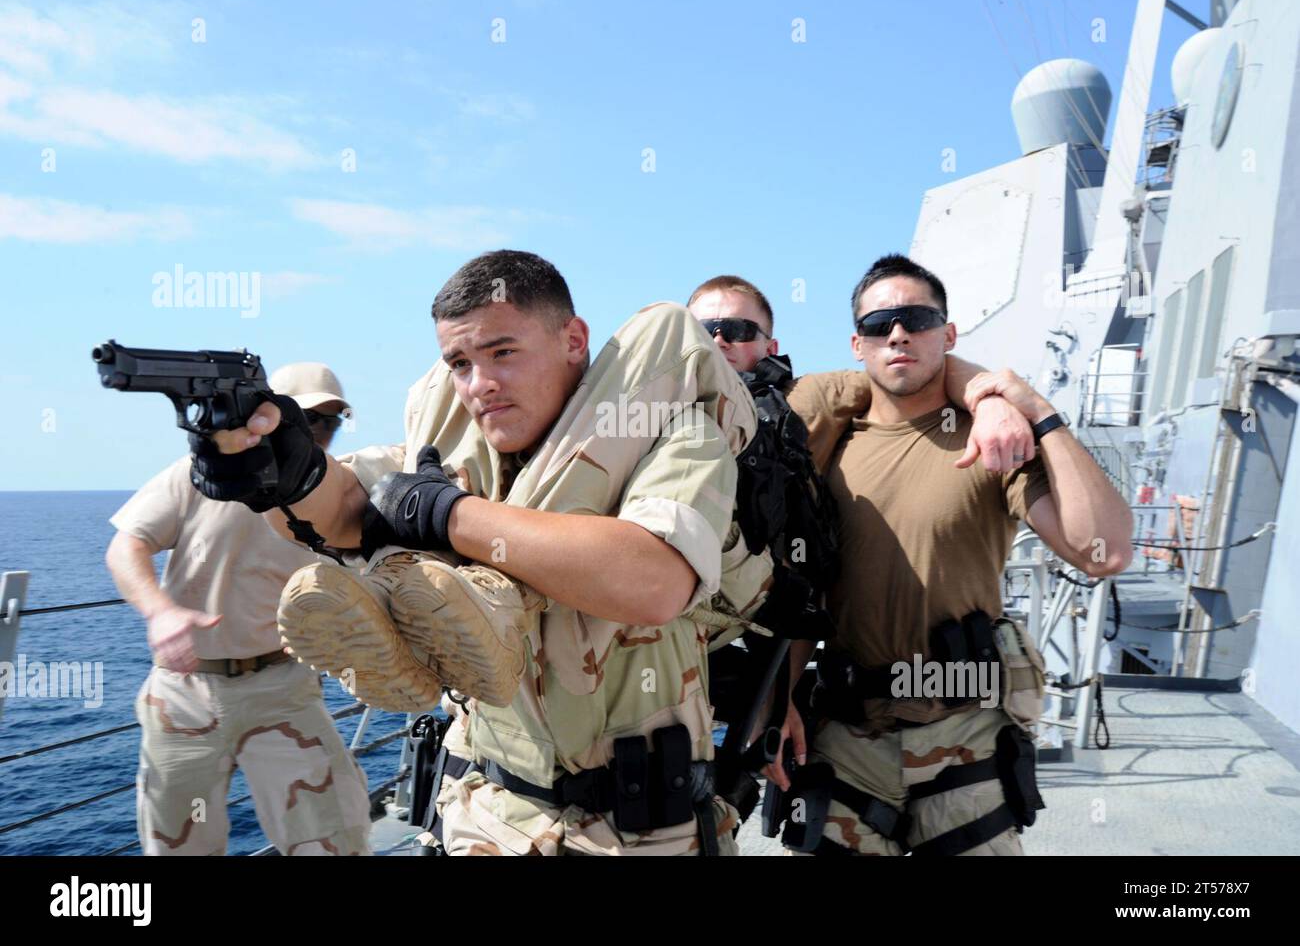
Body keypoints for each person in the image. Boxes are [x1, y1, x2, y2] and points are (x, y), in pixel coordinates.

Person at [192, 250, 756, 855]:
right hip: (489, 815)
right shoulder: (458, 451)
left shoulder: (677, 431)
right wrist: (276, 471)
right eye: (459, 363)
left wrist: (451, 517)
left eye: (503, 352)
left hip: (642, 830)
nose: (479, 384)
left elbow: (653, 582)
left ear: (573, 340)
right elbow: (353, 502)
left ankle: (460, 600)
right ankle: (416, 605)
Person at [763, 253, 1133, 855]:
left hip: (963, 735)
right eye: (881, 322)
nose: (899, 333)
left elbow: (1105, 551)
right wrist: (781, 705)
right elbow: (801, 590)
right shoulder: (827, 444)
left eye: (917, 317)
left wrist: (1035, 411)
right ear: (858, 344)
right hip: (847, 736)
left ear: (949, 334)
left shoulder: (995, 440)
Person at [105, 362, 373, 856]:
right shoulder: (199, 476)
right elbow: (127, 546)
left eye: (331, 423)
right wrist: (160, 612)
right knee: (177, 846)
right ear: (265, 416)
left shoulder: (339, 490)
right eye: (310, 421)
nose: (321, 435)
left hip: (282, 685)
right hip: (184, 691)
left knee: (336, 838)